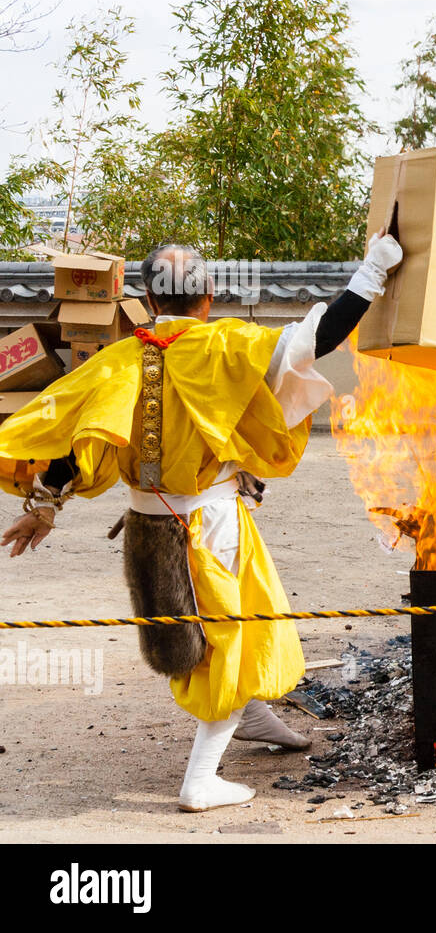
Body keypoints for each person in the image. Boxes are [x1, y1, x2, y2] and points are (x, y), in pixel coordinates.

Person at [0, 233, 402, 811]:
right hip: (209, 528)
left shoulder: (120, 358)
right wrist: (374, 269)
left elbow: (75, 445)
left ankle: (255, 720)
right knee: (230, 640)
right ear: (210, 293)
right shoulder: (230, 346)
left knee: (211, 637)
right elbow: (320, 337)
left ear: (149, 300)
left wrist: (44, 506)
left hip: (147, 527)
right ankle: (200, 780)